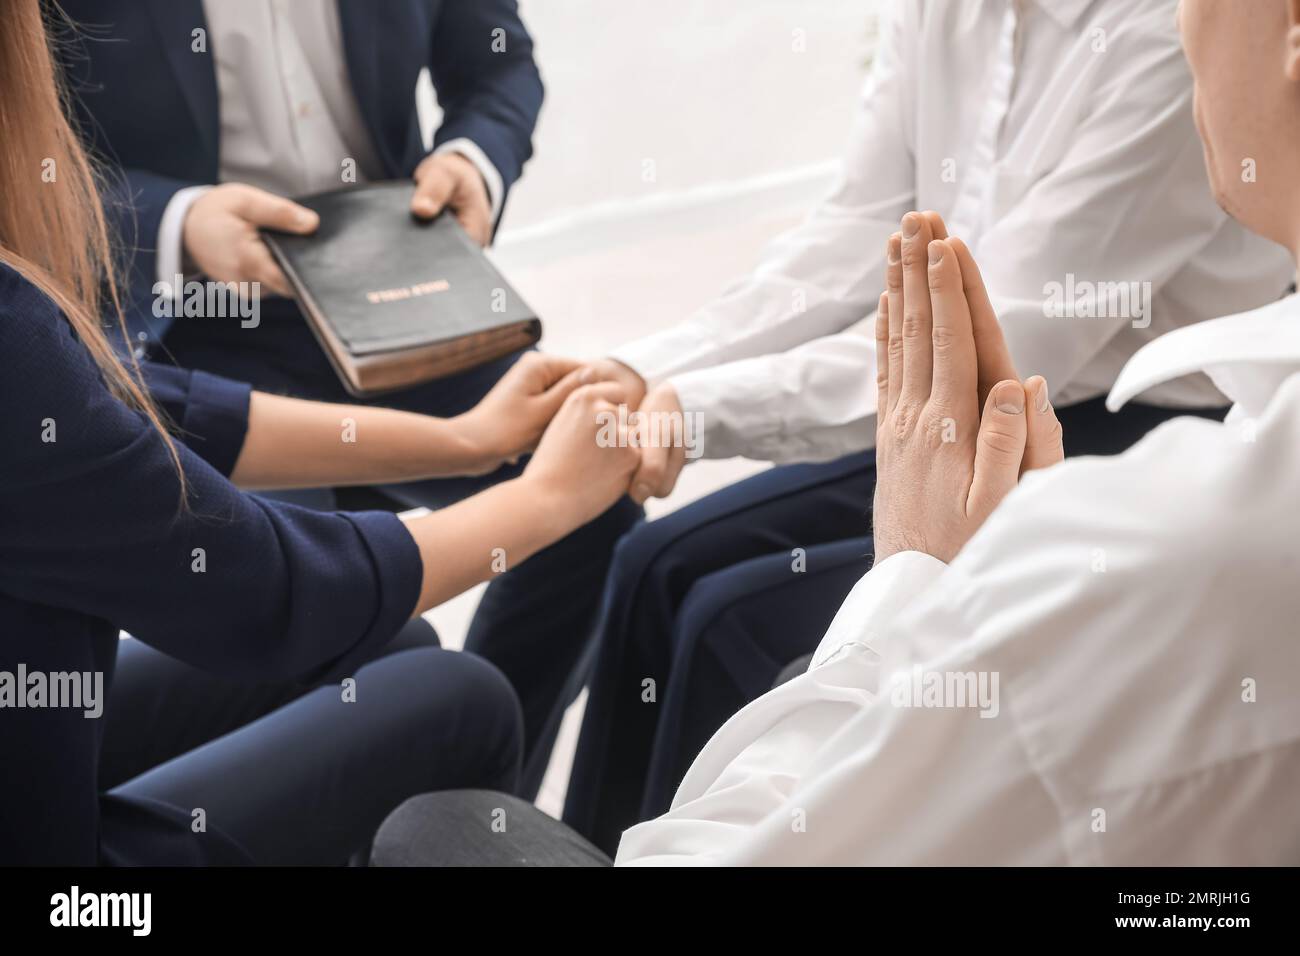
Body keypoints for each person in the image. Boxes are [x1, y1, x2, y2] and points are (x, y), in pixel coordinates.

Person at [562, 0, 1298, 851]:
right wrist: (654, 373)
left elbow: (1014, 330)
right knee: (657, 561)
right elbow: (850, 232)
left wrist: (701, 417)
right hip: (982, 391)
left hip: (1098, 408)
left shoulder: (1148, 36)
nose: (1191, 21)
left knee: (724, 610)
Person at [0, 0, 639, 865]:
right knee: (454, 695)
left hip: (385, 285)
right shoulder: (18, 333)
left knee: (401, 642)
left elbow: (151, 409)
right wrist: (543, 495)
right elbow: (269, 591)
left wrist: (472, 442)